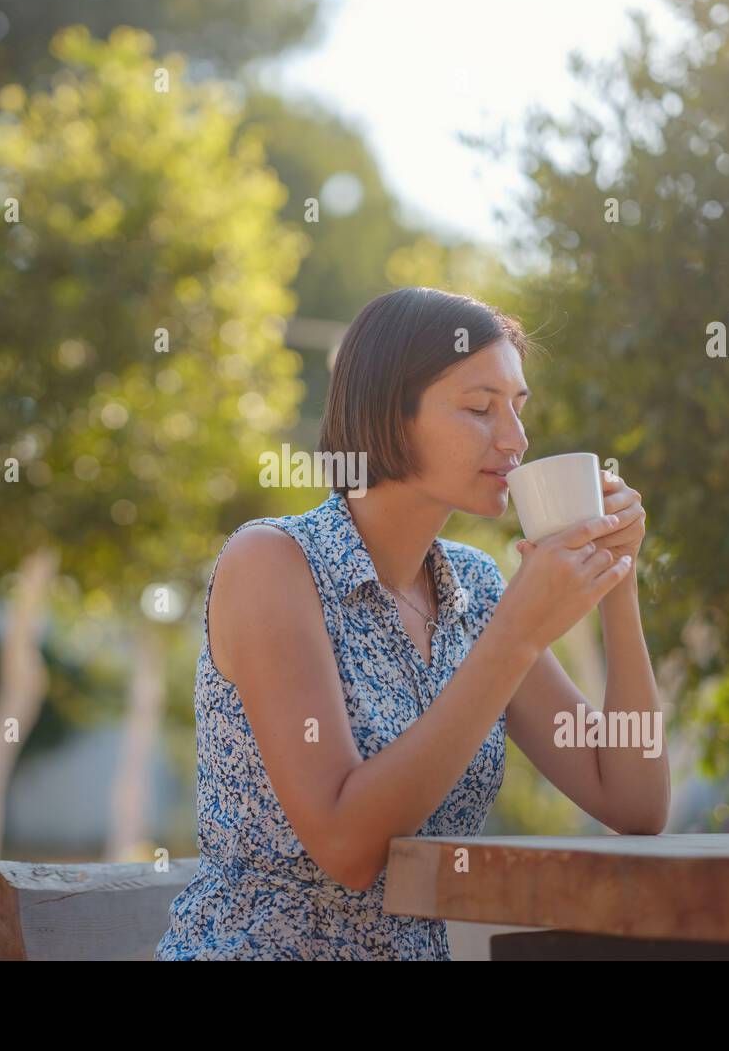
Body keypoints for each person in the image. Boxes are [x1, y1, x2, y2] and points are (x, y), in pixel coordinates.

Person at [154, 286, 667, 960]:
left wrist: (615, 573)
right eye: (480, 408)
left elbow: (632, 799)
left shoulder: (475, 588)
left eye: (518, 407)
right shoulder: (273, 565)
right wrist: (515, 634)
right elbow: (347, 846)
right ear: (389, 417)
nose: (516, 439)